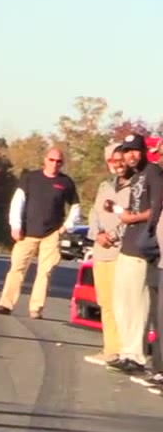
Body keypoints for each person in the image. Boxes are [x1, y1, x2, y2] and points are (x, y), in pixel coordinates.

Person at [0, 148, 81, 319]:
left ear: (62, 163)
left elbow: (75, 207)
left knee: (45, 272)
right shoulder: (31, 178)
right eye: (51, 160)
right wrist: (15, 226)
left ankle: (36, 308)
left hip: (52, 234)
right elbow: (18, 202)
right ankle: (5, 304)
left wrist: (66, 227)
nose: (54, 164)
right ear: (45, 159)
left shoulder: (65, 182)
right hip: (27, 233)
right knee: (17, 269)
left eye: (58, 161)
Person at [106, 134, 163, 376]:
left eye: (135, 150)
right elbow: (135, 209)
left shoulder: (152, 172)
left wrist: (136, 219)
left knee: (138, 304)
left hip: (142, 245)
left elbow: (157, 206)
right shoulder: (136, 176)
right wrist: (121, 212)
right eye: (127, 151)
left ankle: (137, 354)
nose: (130, 155)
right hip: (127, 244)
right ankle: (127, 351)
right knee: (122, 302)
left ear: (143, 151)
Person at [85, 142, 131, 365]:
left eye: (119, 160)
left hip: (119, 249)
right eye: (112, 161)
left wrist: (112, 235)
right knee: (104, 301)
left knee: (119, 301)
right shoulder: (105, 186)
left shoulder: (132, 186)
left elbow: (130, 217)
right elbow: (94, 213)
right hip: (100, 250)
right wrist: (97, 234)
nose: (116, 165)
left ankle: (123, 350)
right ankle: (110, 348)